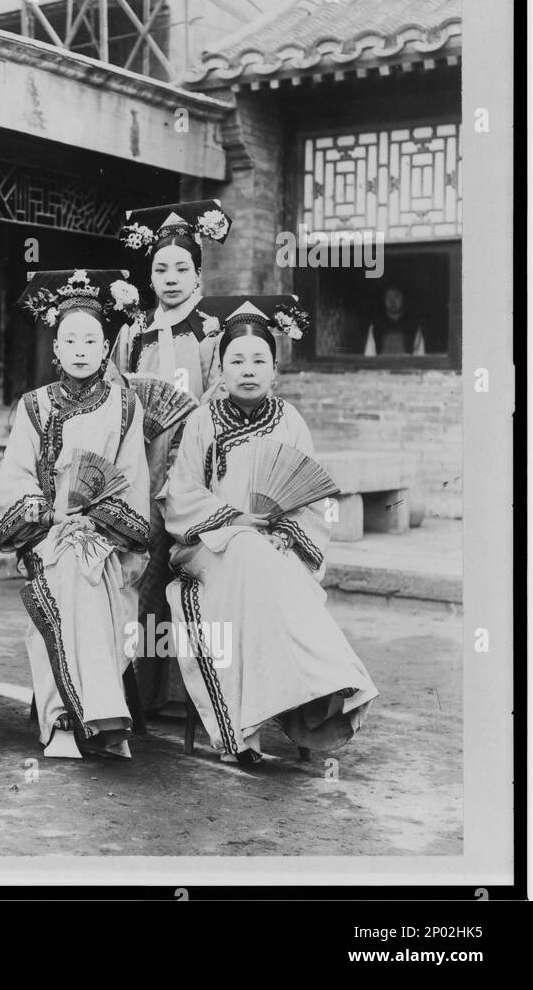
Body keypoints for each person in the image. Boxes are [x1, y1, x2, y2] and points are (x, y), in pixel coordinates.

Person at [162, 297, 379, 765]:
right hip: (209, 546)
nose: (247, 369)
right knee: (245, 551)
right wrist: (233, 519)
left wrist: (286, 534)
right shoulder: (203, 421)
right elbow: (179, 495)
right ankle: (298, 695)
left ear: (274, 369)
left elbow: (312, 499)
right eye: (236, 360)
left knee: (263, 564)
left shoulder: (290, 421)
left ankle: (271, 712)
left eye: (259, 359)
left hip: (275, 547)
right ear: (221, 369)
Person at [0, 270, 150, 760]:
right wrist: (49, 517)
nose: (80, 349)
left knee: (88, 569)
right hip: (47, 534)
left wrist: (97, 522)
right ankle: (82, 717)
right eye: (69, 340)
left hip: (106, 536)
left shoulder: (126, 405)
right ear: (55, 349)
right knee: (66, 567)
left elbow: (132, 478)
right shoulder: (34, 407)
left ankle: (78, 713)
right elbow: (17, 477)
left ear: (106, 348)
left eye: (91, 339)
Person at [113, 200, 233, 717]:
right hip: (139, 466)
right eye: (161, 268)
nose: (170, 277)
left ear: (198, 274)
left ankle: (185, 695)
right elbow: (117, 392)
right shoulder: (132, 332)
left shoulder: (210, 333)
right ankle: (137, 692)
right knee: (139, 575)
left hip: (190, 470)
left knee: (178, 577)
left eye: (182, 268)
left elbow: (215, 401)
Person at [364, 285, 426, 356]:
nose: (392, 301)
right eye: (388, 297)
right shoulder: (375, 327)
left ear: (403, 298)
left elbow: (420, 355)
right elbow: (369, 355)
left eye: (396, 296)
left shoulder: (414, 326)